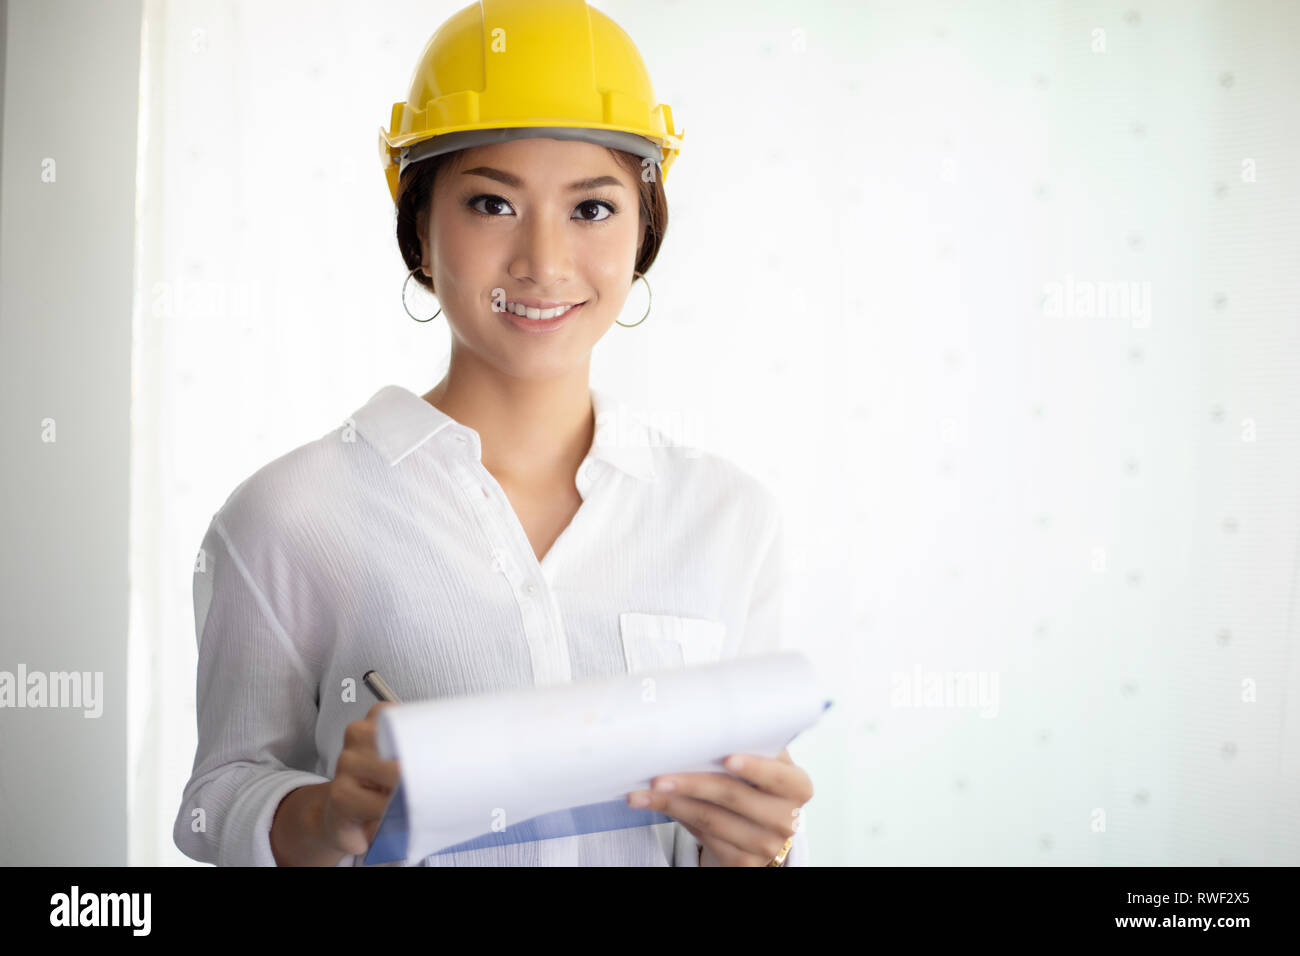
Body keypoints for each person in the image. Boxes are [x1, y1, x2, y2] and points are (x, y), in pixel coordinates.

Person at [173, 0, 814, 867]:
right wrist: (327, 815)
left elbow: (735, 824)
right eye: (490, 202)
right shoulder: (289, 515)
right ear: (420, 230)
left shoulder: (732, 518)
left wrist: (747, 852)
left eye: (592, 209)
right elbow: (218, 801)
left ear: (644, 230)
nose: (544, 262)